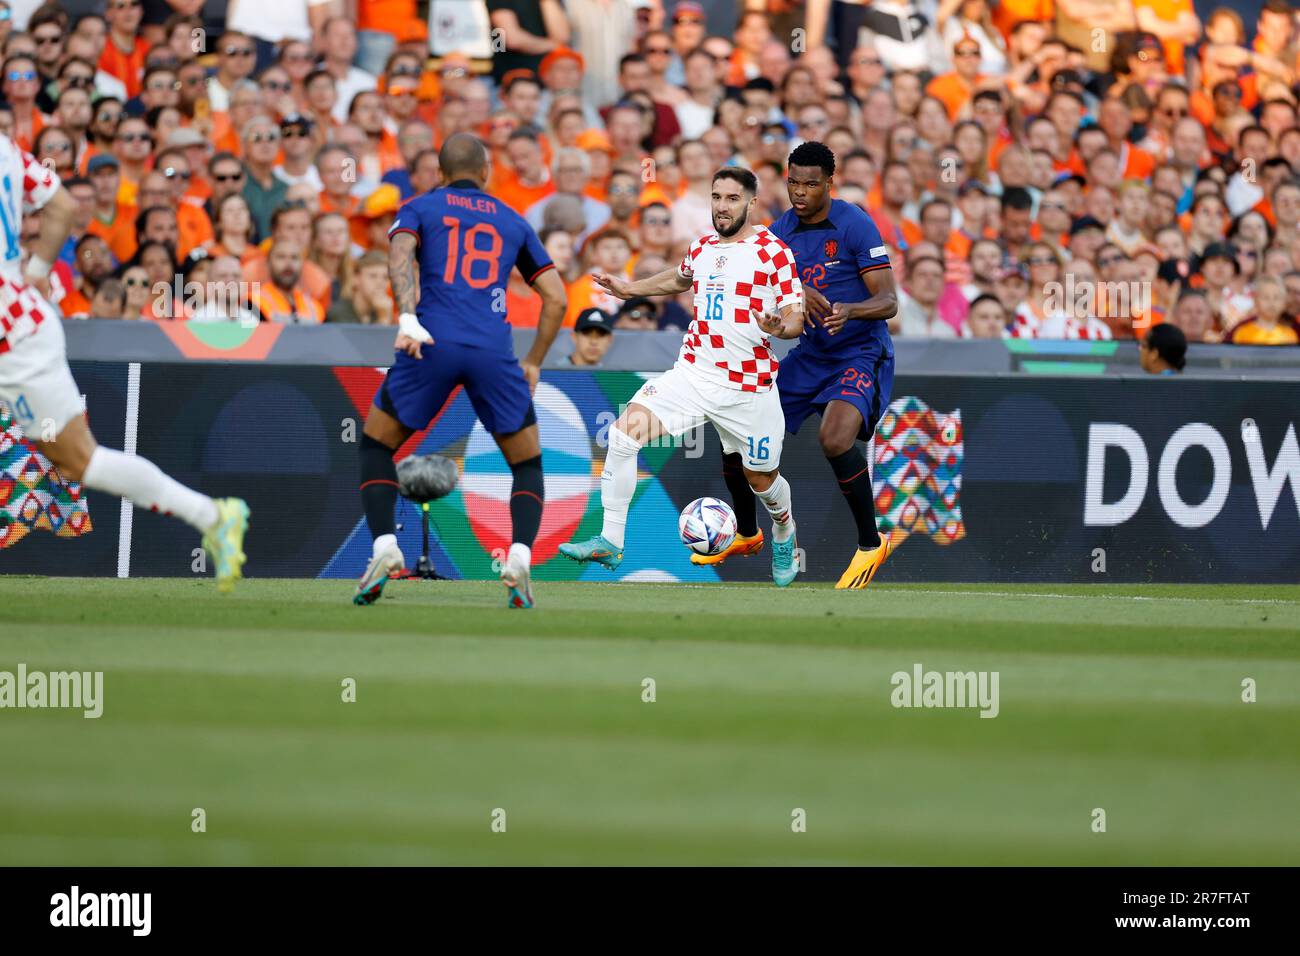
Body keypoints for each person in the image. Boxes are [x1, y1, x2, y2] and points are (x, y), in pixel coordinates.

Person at [0, 133, 248, 589]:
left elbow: (63, 208)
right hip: (22, 318)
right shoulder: (6, 149)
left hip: (13, 337)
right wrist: (33, 277)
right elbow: (61, 207)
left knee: (79, 461)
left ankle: (212, 515)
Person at [560, 165, 807, 588]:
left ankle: (784, 533)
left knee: (762, 481)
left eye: (732, 199)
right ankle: (610, 540)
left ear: (751, 202)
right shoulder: (703, 246)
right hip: (692, 375)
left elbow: (795, 318)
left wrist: (777, 328)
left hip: (748, 388)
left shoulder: (773, 251)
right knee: (622, 436)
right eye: (716, 197)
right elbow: (679, 278)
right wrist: (628, 288)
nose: (722, 206)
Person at [356, 133, 567, 609]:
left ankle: (386, 548)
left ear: (439, 172)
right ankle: (517, 558)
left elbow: (399, 255)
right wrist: (533, 360)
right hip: (494, 349)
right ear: (487, 173)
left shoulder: (421, 207)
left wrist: (408, 316)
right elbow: (556, 297)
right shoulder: (513, 221)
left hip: (432, 341)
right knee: (527, 463)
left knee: (376, 444)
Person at [709, 141, 899, 590]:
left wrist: (850, 309)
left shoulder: (854, 224)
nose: (800, 192)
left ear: (829, 184)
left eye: (811, 184)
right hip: (809, 356)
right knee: (737, 433)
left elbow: (888, 300)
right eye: (793, 182)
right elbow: (764, 295)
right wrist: (781, 305)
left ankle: (871, 544)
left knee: (834, 439)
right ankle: (747, 532)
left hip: (859, 352)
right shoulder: (779, 233)